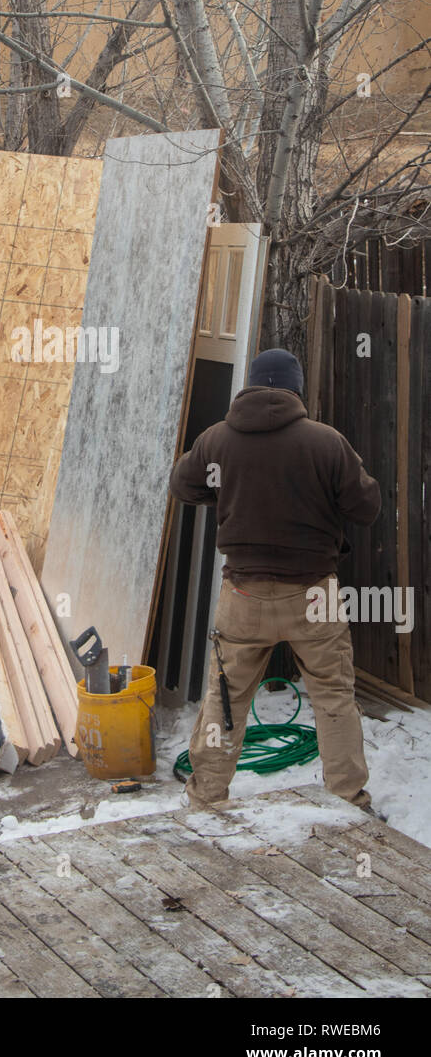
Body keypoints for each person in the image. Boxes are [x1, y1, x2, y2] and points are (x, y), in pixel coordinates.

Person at [169, 347, 381, 811]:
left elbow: (184, 485)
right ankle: (349, 798)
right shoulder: (326, 442)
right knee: (333, 697)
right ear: (296, 389)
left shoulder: (215, 441)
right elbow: (366, 507)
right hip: (313, 596)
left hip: (243, 595)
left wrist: (227, 495)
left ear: (249, 383)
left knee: (224, 701)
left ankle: (206, 797)